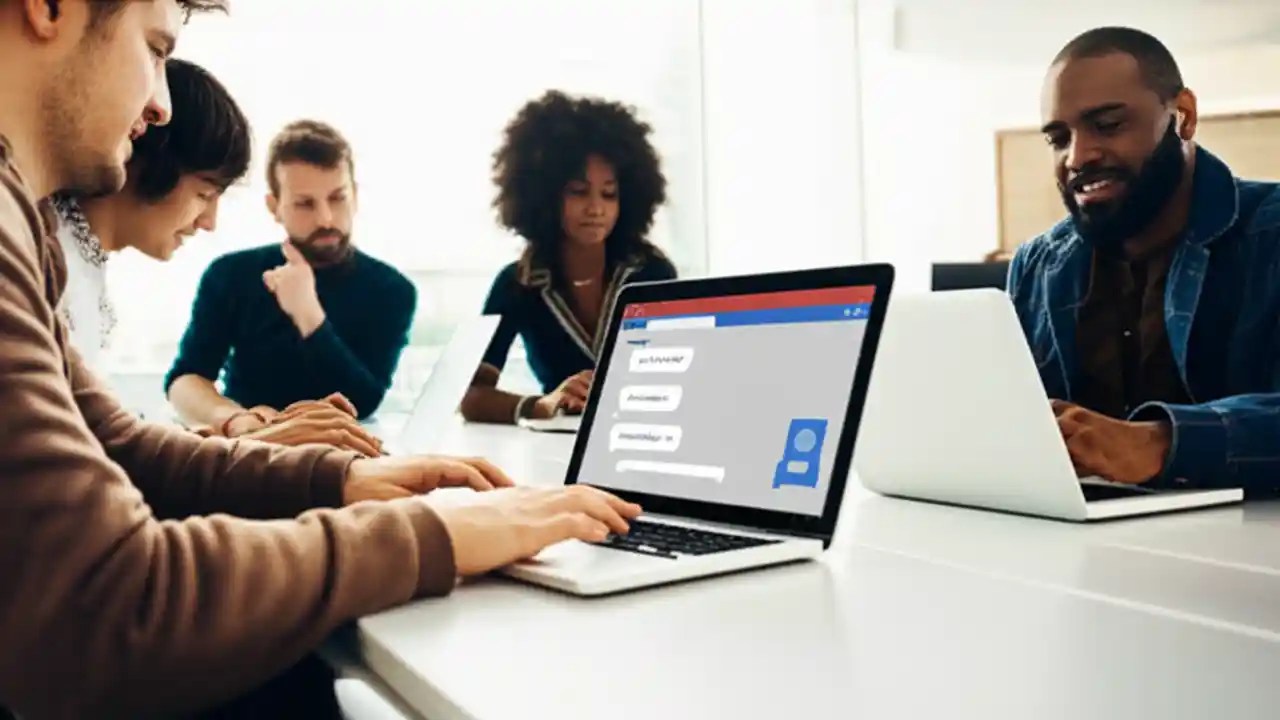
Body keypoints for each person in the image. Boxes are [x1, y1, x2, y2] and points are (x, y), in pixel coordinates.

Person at [0, 2, 640, 717]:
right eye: (154, 48)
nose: (160, 102)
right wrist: (436, 535)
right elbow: (105, 604)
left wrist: (341, 478)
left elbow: (119, 445)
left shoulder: (22, 219)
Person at [53, 56, 379, 454]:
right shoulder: (50, 255)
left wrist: (246, 440)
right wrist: (244, 435)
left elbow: (99, 443)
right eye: (205, 195)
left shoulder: (75, 255)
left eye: (337, 198)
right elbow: (88, 453)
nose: (209, 222)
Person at [1010, 26, 1280, 490]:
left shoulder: (1270, 233)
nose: (1078, 156)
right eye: (1058, 138)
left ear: (1183, 116)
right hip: (1080, 545)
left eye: (1108, 125)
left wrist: (1159, 443)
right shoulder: (1037, 265)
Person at [166, 119, 414, 435]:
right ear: (275, 206)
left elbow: (364, 402)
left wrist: (308, 314)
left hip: (347, 450)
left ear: (356, 196)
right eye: (304, 204)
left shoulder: (392, 290)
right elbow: (185, 378)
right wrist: (236, 420)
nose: (325, 218)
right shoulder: (231, 275)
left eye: (337, 198)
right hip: (250, 447)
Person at [462, 90, 677, 424]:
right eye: (578, 192)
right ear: (544, 195)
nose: (595, 208)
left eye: (609, 194)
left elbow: (682, 376)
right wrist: (541, 404)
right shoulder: (517, 283)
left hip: (645, 435)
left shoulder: (652, 272)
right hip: (556, 450)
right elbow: (471, 395)